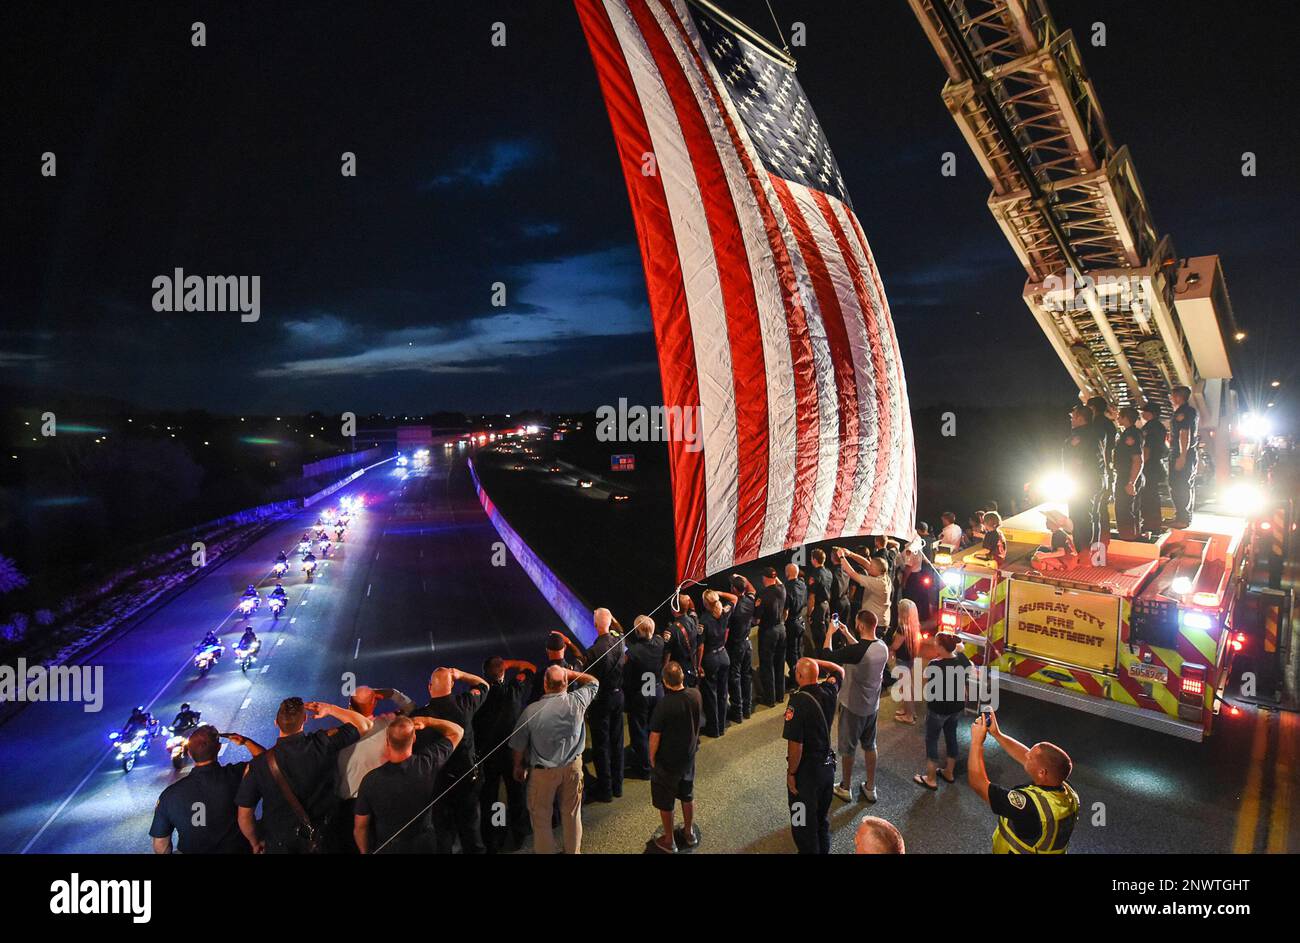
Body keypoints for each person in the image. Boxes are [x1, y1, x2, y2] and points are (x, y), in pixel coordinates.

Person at [236, 696, 370, 853]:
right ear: (305, 719)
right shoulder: (322, 743)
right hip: (324, 838)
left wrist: (255, 842)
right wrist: (330, 708)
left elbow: (244, 815)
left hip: (281, 844)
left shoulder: (258, 766)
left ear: (276, 722)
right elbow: (364, 724)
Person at [510, 666, 600, 854]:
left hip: (543, 773)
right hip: (573, 767)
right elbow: (593, 681)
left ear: (545, 684)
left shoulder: (531, 711)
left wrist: (518, 766)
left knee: (541, 820)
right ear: (566, 682)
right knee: (572, 815)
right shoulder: (578, 701)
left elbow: (518, 745)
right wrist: (572, 673)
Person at [967, 712, 1079, 854]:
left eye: (1030, 757)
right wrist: (997, 734)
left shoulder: (1029, 807)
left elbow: (978, 784)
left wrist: (976, 742)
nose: (1026, 755)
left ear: (1042, 773)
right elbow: (1028, 758)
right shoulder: (1067, 791)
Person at [353, 715, 464, 854]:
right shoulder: (427, 763)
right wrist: (428, 721)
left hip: (389, 847)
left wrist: (365, 852)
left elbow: (360, 827)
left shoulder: (370, 780)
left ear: (387, 741)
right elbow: (457, 731)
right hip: (424, 844)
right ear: (414, 739)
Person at [150, 726, 265, 853]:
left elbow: (161, 844)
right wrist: (245, 741)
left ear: (189, 753)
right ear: (219, 749)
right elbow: (264, 760)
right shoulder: (237, 774)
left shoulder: (169, 795)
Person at [413, 667, 490, 854]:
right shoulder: (465, 703)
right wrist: (462, 674)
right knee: (471, 830)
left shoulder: (418, 717)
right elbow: (484, 685)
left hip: (438, 785)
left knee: (443, 834)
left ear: (429, 686)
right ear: (453, 684)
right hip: (467, 780)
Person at [334, 685, 416, 853]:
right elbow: (410, 707)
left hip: (347, 807)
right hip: (379, 802)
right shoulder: (388, 724)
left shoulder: (335, 737)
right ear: (374, 703)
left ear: (350, 705)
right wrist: (391, 693)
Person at [821, 610, 888, 803]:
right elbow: (861, 650)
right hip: (872, 707)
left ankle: (845, 787)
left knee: (848, 749)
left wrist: (830, 633)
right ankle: (870, 787)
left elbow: (827, 655)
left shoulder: (857, 652)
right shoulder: (882, 647)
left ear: (860, 626)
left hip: (852, 706)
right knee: (870, 745)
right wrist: (846, 633)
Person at [784, 655, 845, 854]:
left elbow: (796, 745)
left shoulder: (796, 702)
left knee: (800, 822)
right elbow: (839, 671)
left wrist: (791, 773)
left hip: (806, 774)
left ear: (800, 676)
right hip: (827, 770)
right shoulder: (829, 690)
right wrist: (816, 663)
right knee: (821, 820)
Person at [476, 656, 537, 853]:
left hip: (489, 757)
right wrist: (508, 664)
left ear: (484, 673)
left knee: (493, 798)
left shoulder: (477, 697)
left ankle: (496, 835)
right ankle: (519, 833)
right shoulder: (515, 690)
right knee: (516, 793)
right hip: (512, 755)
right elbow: (530, 667)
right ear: (502, 672)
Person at [648, 660, 703, 853]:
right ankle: (688, 833)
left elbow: (655, 736)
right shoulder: (695, 694)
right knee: (687, 795)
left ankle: (669, 840)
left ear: (664, 681)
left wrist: (652, 758)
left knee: (666, 801)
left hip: (667, 762)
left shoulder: (664, 705)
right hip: (688, 758)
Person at [913, 633, 970, 791]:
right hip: (956, 708)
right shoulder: (962, 659)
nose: (934, 645)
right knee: (951, 737)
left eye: (937, 644)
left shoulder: (935, 665)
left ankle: (930, 779)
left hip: (938, 709)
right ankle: (949, 773)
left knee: (932, 740)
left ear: (942, 648)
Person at [583, 607, 626, 803]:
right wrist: (610, 617)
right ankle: (618, 786)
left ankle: (606, 789)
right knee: (617, 742)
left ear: (594, 625)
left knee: (601, 745)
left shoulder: (592, 651)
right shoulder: (619, 640)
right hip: (618, 696)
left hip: (601, 701)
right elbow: (620, 629)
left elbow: (585, 679)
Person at [623, 616, 665, 782]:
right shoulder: (660, 643)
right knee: (656, 728)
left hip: (641, 694)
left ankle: (645, 767)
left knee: (640, 731)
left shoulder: (633, 652)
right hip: (657, 690)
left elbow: (626, 673)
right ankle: (658, 760)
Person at [1063, 403, 1103, 548]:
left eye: (1072, 416)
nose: (1071, 419)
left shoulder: (1078, 437)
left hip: (1081, 482)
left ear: (1080, 418)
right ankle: (1094, 549)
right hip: (1095, 479)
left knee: (1079, 517)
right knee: (1093, 516)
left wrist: (1070, 483)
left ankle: (1083, 550)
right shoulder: (1094, 433)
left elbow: (1076, 461)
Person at [718, 574, 755, 724]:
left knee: (735, 678)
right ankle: (747, 708)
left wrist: (719, 593)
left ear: (733, 589)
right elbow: (752, 590)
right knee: (746, 676)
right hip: (747, 644)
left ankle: (737, 712)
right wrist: (744, 578)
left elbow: (724, 629)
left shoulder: (732, 607)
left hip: (736, 646)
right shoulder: (750, 601)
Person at [696, 589, 731, 737]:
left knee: (711, 695)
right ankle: (722, 725)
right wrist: (720, 595)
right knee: (723, 693)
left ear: (705, 604)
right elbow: (734, 599)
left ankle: (714, 728)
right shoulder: (724, 612)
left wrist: (698, 664)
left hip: (711, 659)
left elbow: (701, 646)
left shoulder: (703, 621)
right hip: (723, 655)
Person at [755, 566, 788, 706]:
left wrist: (757, 606)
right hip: (781, 629)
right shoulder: (782, 590)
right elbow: (780, 583)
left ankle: (770, 698)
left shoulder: (762, 595)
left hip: (768, 632)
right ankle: (780, 695)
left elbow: (757, 619)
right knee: (780, 663)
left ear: (765, 578)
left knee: (767, 666)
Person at [837, 548, 890, 632]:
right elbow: (866, 563)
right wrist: (851, 553)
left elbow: (852, 573)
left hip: (876, 624)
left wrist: (842, 557)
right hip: (877, 621)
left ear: (877, 570)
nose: (869, 568)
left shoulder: (878, 583)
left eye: (871, 566)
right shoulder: (883, 574)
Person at [1087, 396, 1118, 542]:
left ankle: (1097, 539)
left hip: (1098, 468)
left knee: (1095, 507)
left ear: (1092, 408)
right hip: (1107, 467)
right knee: (1102, 504)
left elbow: (1101, 448)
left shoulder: (1096, 424)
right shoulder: (1109, 423)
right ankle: (1104, 537)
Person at [1168, 385, 1199, 527]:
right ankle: (1184, 517)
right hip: (1187, 452)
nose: (1170, 398)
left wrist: (1182, 456)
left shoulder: (1183, 412)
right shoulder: (1189, 411)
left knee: (1178, 484)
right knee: (1185, 485)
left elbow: (1184, 433)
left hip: (1181, 453)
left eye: (1172, 396)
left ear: (1179, 397)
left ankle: (1182, 518)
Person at [1113, 406, 1145, 539]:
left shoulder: (1130, 435)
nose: (1117, 418)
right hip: (1132, 476)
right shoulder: (1132, 432)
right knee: (1132, 509)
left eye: (1120, 416)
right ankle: (1134, 535)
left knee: (1124, 509)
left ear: (1126, 418)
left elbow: (1137, 459)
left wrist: (1131, 482)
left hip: (1128, 476)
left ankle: (1128, 537)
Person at [889, 598, 923, 725]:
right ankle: (909, 711)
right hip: (909, 659)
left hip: (902, 660)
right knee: (908, 686)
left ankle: (909, 716)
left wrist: (889, 649)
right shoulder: (914, 626)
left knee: (905, 688)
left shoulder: (902, 628)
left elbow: (896, 646)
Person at [1138, 402, 1169, 536]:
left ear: (1149, 413)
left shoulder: (1150, 428)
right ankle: (1153, 524)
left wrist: (1140, 465)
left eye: (1144, 412)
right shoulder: (1159, 427)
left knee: (1148, 496)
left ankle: (1150, 525)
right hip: (1155, 465)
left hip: (1149, 467)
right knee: (1152, 496)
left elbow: (1147, 449)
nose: (1142, 414)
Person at [530, 631, 582, 703]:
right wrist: (568, 641)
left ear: (547, 650)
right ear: (565, 647)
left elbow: (533, 700)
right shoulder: (574, 669)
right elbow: (579, 657)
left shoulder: (542, 675)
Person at [665, 596, 700, 690]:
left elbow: (667, 654)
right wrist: (687, 599)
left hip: (679, 671)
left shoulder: (671, 630)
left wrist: (664, 673)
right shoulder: (693, 620)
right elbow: (692, 609)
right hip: (692, 666)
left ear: (674, 610)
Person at [782, 562, 808, 686]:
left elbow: (785, 611)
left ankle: (795, 680)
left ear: (787, 573)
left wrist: (782, 622)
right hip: (800, 621)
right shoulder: (802, 585)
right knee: (799, 651)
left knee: (791, 654)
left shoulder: (786, 589)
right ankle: (803, 675)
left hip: (791, 624)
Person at [806, 548, 834, 648]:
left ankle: (822, 659)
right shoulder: (828, 573)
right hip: (827, 606)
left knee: (819, 638)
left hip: (818, 609)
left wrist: (809, 614)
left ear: (814, 560)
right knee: (827, 634)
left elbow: (812, 597)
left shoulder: (815, 575)